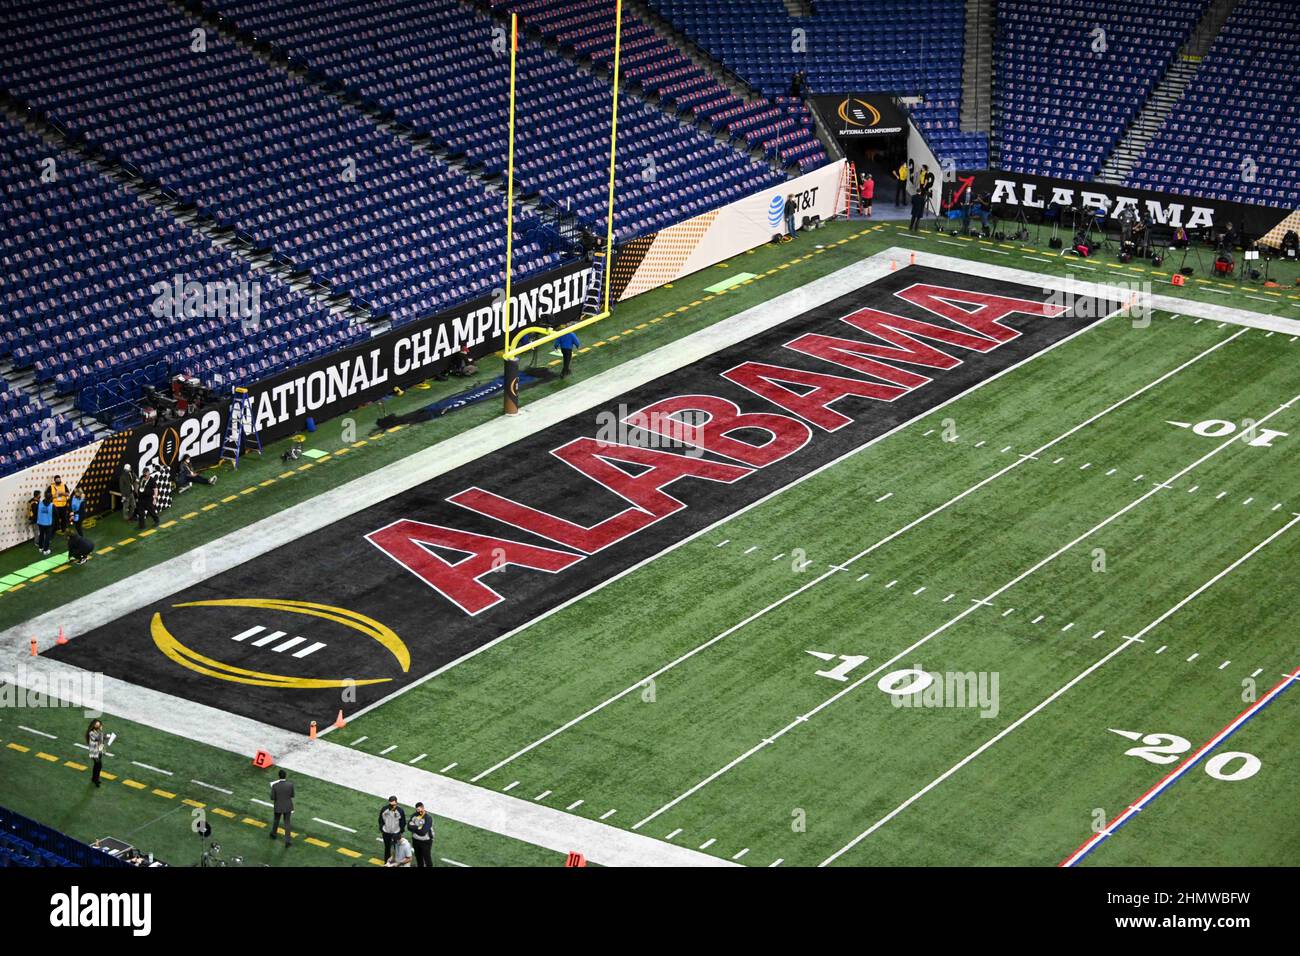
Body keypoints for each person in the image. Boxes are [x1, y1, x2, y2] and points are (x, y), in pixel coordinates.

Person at [269, 769, 294, 847]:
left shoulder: (275, 785)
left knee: (276, 820)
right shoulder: (290, 785)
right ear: (285, 776)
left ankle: (274, 834)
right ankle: (288, 841)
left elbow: (272, 797)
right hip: (288, 806)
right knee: (287, 823)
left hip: (278, 806)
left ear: (279, 776)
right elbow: (292, 795)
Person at [379, 795, 406, 861]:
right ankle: (386, 863)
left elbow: (403, 822)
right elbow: (380, 820)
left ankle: (397, 863)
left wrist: (400, 831)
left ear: (396, 802)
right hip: (386, 833)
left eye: (393, 804)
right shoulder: (384, 809)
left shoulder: (400, 811)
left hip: (396, 833)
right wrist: (382, 828)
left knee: (397, 849)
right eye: (391, 804)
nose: (392, 806)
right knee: (387, 848)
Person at [408, 802, 434, 868]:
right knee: (418, 858)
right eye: (417, 810)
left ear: (423, 808)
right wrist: (418, 828)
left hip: (425, 841)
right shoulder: (414, 815)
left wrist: (414, 827)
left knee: (427, 859)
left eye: (420, 809)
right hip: (415, 840)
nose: (418, 811)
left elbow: (423, 832)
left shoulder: (428, 818)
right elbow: (408, 827)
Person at [134, 463, 160, 529]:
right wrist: (137, 492)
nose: (145, 475)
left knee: (151, 511)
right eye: (144, 474)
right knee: (141, 512)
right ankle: (142, 526)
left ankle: (157, 521)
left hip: (148, 498)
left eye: (146, 474)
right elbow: (138, 484)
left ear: (149, 473)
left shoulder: (152, 480)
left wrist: (155, 498)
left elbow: (155, 489)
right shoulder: (142, 478)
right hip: (141, 498)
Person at [86, 719, 107, 788]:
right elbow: (97, 739)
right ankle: (96, 780)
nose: (101, 726)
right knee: (99, 766)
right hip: (94, 752)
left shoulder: (98, 732)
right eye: (99, 725)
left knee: (96, 765)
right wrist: (104, 737)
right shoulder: (91, 733)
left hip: (98, 751)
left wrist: (105, 737)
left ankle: (94, 778)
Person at [35, 490, 54, 555]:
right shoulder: (52, 505)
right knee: (47, 537)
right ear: (51, 498)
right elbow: (56, 515)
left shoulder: (39, 503)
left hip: (40, 523)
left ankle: (41, 548)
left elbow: (35, 511)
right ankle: (45, 550)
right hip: (48, 524)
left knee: (41, 535)